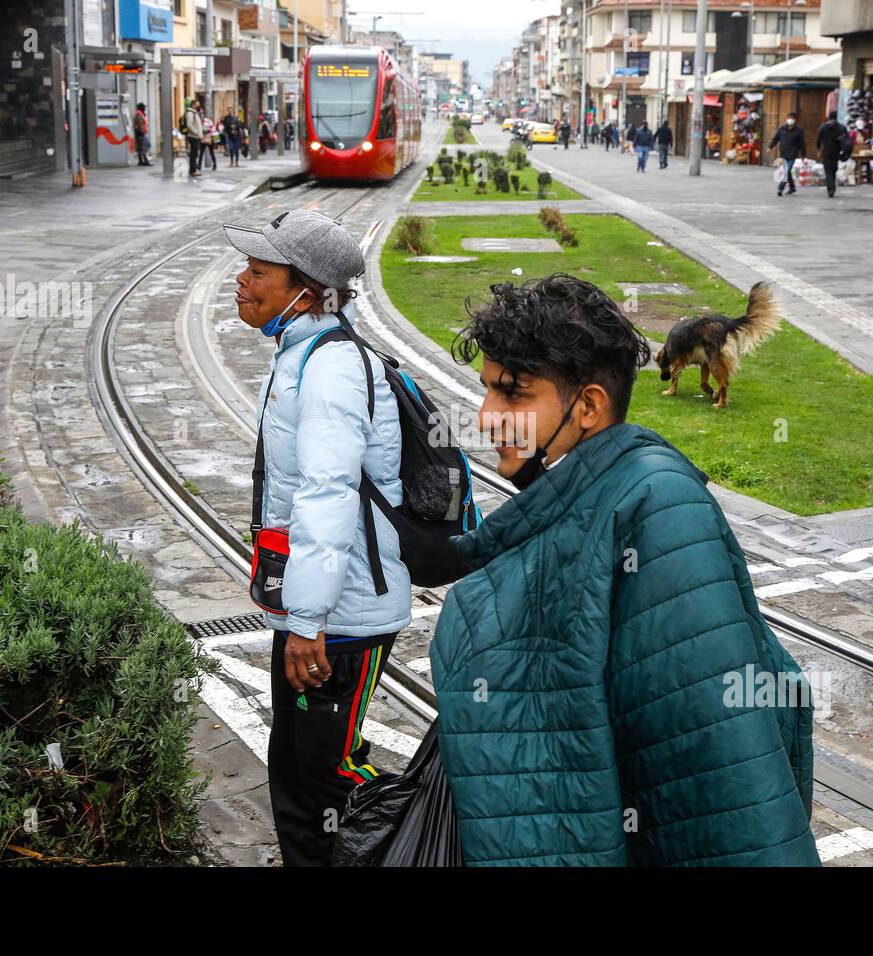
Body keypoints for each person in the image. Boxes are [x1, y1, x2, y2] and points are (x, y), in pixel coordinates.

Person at [429, 273, 820, 867]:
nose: (486, 418)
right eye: (486, 391)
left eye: (512, 395)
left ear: (587, 406)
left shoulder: (659, 510)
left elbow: (721, 758)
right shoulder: (573, 492)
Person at [224, 209, 411, 867]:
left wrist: (307, 622)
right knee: (299, 768)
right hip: (317, 608)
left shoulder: (330, 370)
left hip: (341, 617)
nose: (241, 281)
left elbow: (328, 497)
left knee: (328, 774)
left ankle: (432, 832)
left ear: (305, 290)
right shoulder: (304, 353)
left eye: (257, 272)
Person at [769, 112, 806, 196]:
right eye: (789, 118)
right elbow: (775, 138)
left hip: (793, 154)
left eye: (792, 118)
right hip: (783, 153)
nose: (790, 120)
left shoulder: (799, 130)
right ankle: (792, 187)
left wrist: (803, 155)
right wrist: (770, 147)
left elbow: (802, 143)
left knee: (786, 171)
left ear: (795, 120)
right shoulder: (782, 129)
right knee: (787, 172)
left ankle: (780, 188)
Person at [817, 114, 850, 198]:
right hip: (836, 152)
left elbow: (818, 139)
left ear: (828, 117)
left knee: (828, 171)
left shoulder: (823, 127)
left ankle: (830, 189)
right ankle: (832, 188)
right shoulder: (841, 128)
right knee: (833, 169)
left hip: (826, 151)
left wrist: (818, 149)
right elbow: (846, 140)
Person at [182, 98, 203, 177]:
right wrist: (197, 133)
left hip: (195, 136)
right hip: (193, 136)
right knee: (193, 154)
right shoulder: (190, 112)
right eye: (198, 104)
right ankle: (193, 170)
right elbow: (189, 125)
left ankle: (193, 169)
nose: (199, 105)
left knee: (194, 154)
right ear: (194, 104)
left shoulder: (194, 112)